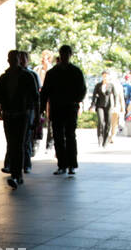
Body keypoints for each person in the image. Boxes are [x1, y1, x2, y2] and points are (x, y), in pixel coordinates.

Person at [0, 48, 38, 189]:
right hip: (9, 115)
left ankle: (16, 175)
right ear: (8, 60)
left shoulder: (27, 76)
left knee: (18, 144)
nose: (13, 61)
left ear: (19, 60)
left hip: (22, 115)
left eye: (15, 58)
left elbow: (35, 97)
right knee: (12, 144)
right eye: (11, 58)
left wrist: (36, 117)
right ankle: (16, 174)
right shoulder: (4, 77)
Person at [40, 44, 87, 175]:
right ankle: (63, 164)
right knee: (59, 136)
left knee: (69, 136)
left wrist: (76, 101)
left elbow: (82, 89)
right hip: (59, 108)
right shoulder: (54, 72)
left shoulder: (73, 72)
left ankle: (70, 164)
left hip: (68, 107)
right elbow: (45, 92)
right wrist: (42, 107)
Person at [19, 50, 41, 172]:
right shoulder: (14, 74)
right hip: (18, 109)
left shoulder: (32, 75)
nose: (21, 61)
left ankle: (26, 164)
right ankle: (12, 164)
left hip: (28, 109)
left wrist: (37, 113)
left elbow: (36, 95)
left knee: (26, 137)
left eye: (24, 58)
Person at [89, 69, 120, 149]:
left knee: (108, 123)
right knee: (101, 121)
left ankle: (105, 140)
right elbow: (94, 96)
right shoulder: (98, 85)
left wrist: (115, 105)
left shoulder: (111, 85)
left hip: (108, 106)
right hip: (100, 105)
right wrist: (92, 106)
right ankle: (100, 138)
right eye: (104, 76)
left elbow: (115, 95)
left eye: (106, 76)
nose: (105, 78)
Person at [35, 50, 54, 150]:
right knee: (39, 119)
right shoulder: (37, 69)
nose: (42, 59)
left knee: (51, 119)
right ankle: (37, 141)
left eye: (44, 58)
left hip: (50, 97)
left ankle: (49, 144)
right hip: (40, 96)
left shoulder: (53, 70)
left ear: (49, 59)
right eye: (42, 57)